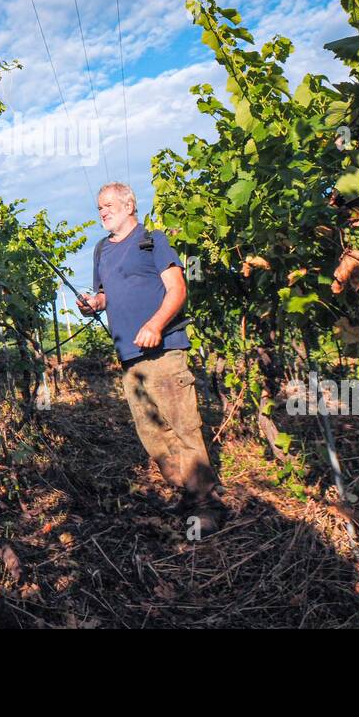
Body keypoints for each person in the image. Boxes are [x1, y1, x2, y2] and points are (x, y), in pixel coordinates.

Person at [77, 182, 226, 534]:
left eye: (109, 204)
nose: (103, 211)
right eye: (99, 207)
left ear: (129, 205)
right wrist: (91, 305)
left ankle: (205, 505)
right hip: (129, 358)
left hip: (164, 351)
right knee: (154, 438)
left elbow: (178, 289)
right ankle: (188, 490)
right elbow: (102, 296)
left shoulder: (152, 240)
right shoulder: (101, 251)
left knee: (184, 427)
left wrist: (156, 324)